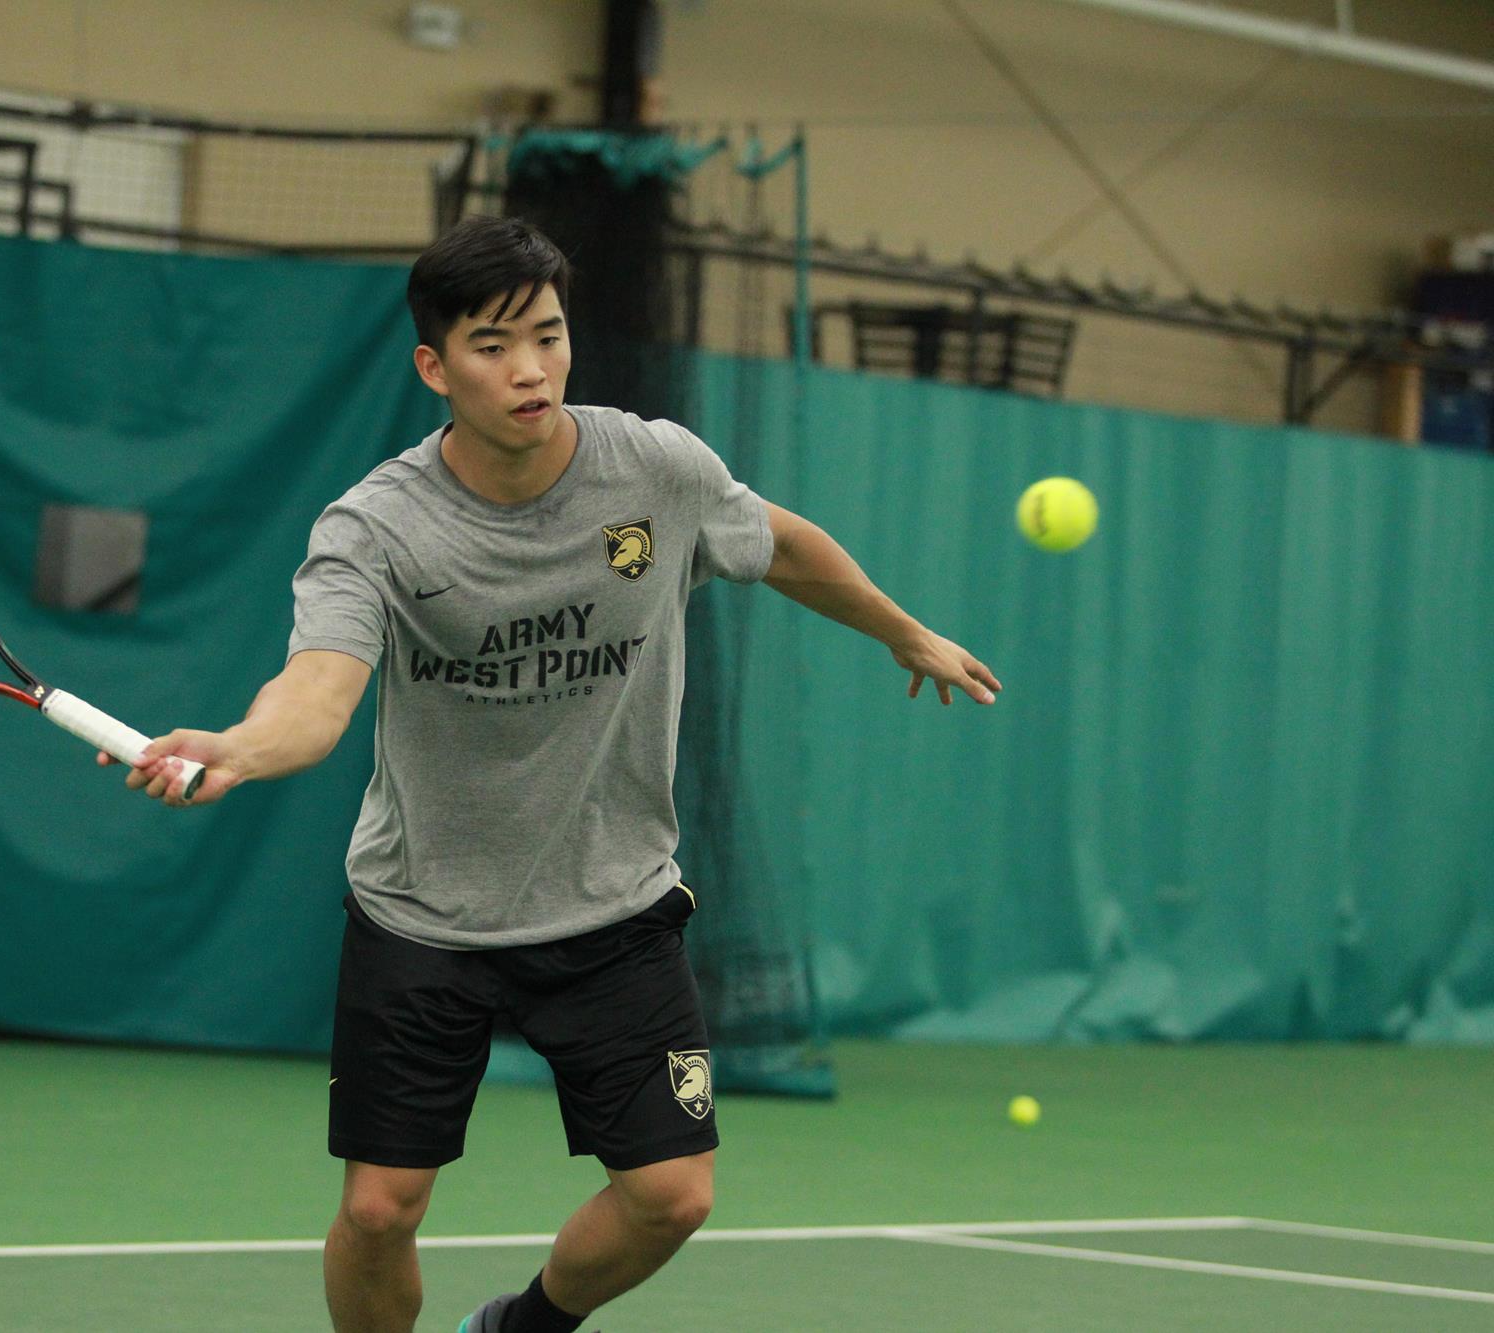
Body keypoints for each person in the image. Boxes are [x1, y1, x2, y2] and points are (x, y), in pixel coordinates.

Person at [102, 215, 1000, 1333]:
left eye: (546, 333)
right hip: (424, 912)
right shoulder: (375, 527)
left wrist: (899, 630)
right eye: (491, 345)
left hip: (612, 902)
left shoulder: (655, 469)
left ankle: (520, 1330)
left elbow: (782, 544)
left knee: (671, 1197)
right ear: (434, 366)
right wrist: (236, 747)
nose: (528, 368)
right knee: (381, 1210)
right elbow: (317, 693)